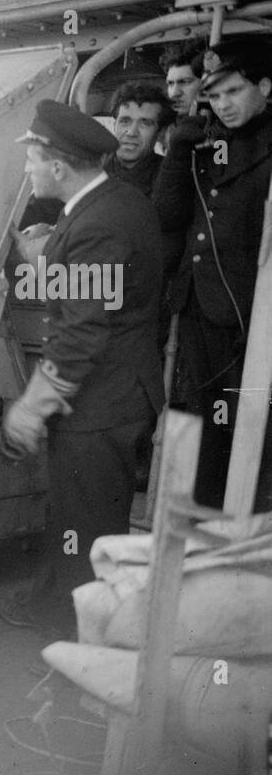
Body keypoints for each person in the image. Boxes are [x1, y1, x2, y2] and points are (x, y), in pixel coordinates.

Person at [3, 100, 164, 635]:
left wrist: (31, 406)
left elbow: (81, 332)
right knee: (75, 512)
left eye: (31, 160)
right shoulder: (108, 205)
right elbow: (93, 292)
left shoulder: (99, 223)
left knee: (90, 523)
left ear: (57, 165)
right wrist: (46, 262)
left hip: (104, 402)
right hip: (107, 397)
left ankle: (84, 637)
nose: (27, 169)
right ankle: (58, 610)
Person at [154, 36, 272, 511]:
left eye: (234, 92)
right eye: (215, 95)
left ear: (265, 86)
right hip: (204, 306)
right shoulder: (207, 142)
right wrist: (180, 154)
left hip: (255, 312)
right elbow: (166, 218)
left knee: (258, 426)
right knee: (208, 422)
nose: (222, 105)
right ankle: (208, 525)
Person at [103, 81, 172, 195]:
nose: (131, 132)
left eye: (144, 124)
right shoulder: (90, 169)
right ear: (114, 125)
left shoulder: (170, 179)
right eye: (125, 121)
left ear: (160, 132)